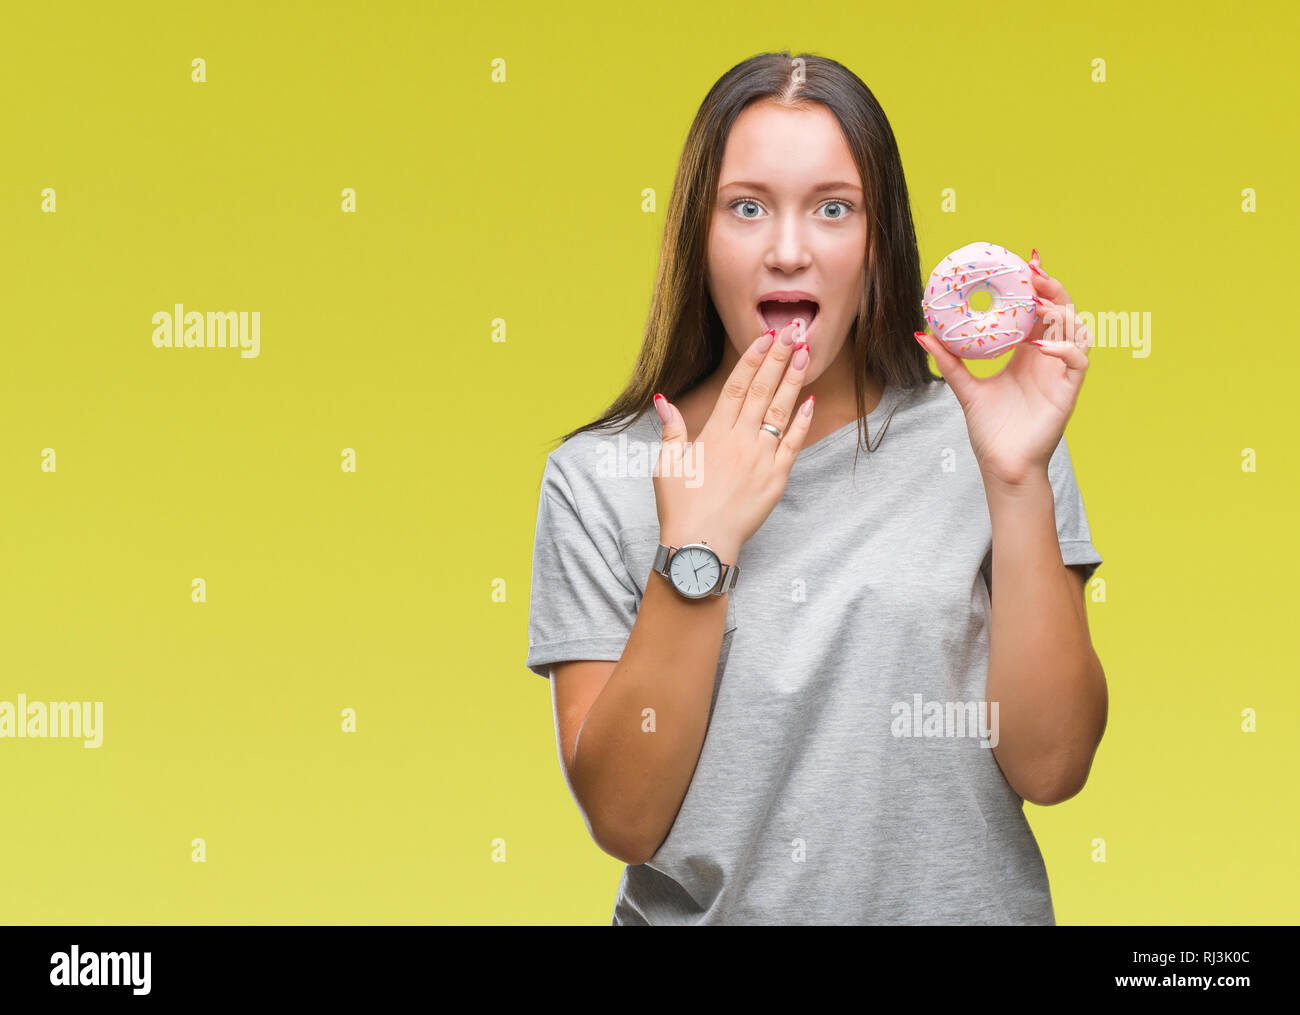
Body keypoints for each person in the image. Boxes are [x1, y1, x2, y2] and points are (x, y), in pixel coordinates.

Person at [525, 51, 1106, 925]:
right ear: (700, 235)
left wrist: (1019, 479)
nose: (788, 250)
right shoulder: (596, 477)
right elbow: (624, 818)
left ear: (880, 241)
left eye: (833, 209)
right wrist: (700, 546)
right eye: (747, 207)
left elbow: (1054, 765)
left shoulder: (990, 438)